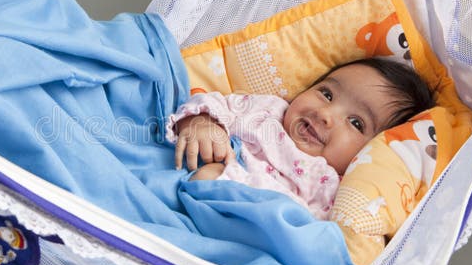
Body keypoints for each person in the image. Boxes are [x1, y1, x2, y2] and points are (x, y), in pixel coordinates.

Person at [167, 57, 435, 219]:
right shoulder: (268, 112)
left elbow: (308, 231)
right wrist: (202, 123)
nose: (326, 114)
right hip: (189, 186)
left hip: (250, 224)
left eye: (356, 123)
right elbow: (218, 105)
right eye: (327, 94)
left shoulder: (335, 185)